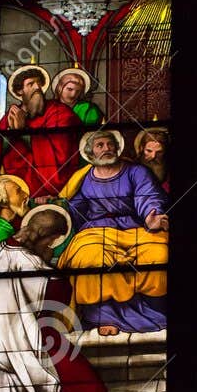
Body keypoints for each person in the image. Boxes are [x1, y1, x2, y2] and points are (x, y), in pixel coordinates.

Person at [0, 185, 105, 392]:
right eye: (51, 241)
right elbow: (59, 294)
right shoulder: (30, 262)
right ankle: (2, 380)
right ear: (49, 238)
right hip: (19, 343)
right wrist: (48, 263)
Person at [59, 129, 169, 335]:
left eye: (110, 145)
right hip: (96, 231)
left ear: (118, 148)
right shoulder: (83, 180)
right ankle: (104, 317)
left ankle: (156, 310)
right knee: (89, 258)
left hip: (136, 227)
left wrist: (151, 216)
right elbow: (73, 209)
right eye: (100, 146)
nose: (106, 149)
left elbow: (148, 196)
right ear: (90, 153)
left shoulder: (136, 172)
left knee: (160, 254)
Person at [0, 64, 102, 198]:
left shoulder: (59, 112)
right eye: (31, 84)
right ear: (19, 91)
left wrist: (24, 132)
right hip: (14, 190)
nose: (37, 88)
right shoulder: (11, 116)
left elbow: (63, 155)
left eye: (39, 83)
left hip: (47, 188)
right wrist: (11, 133)